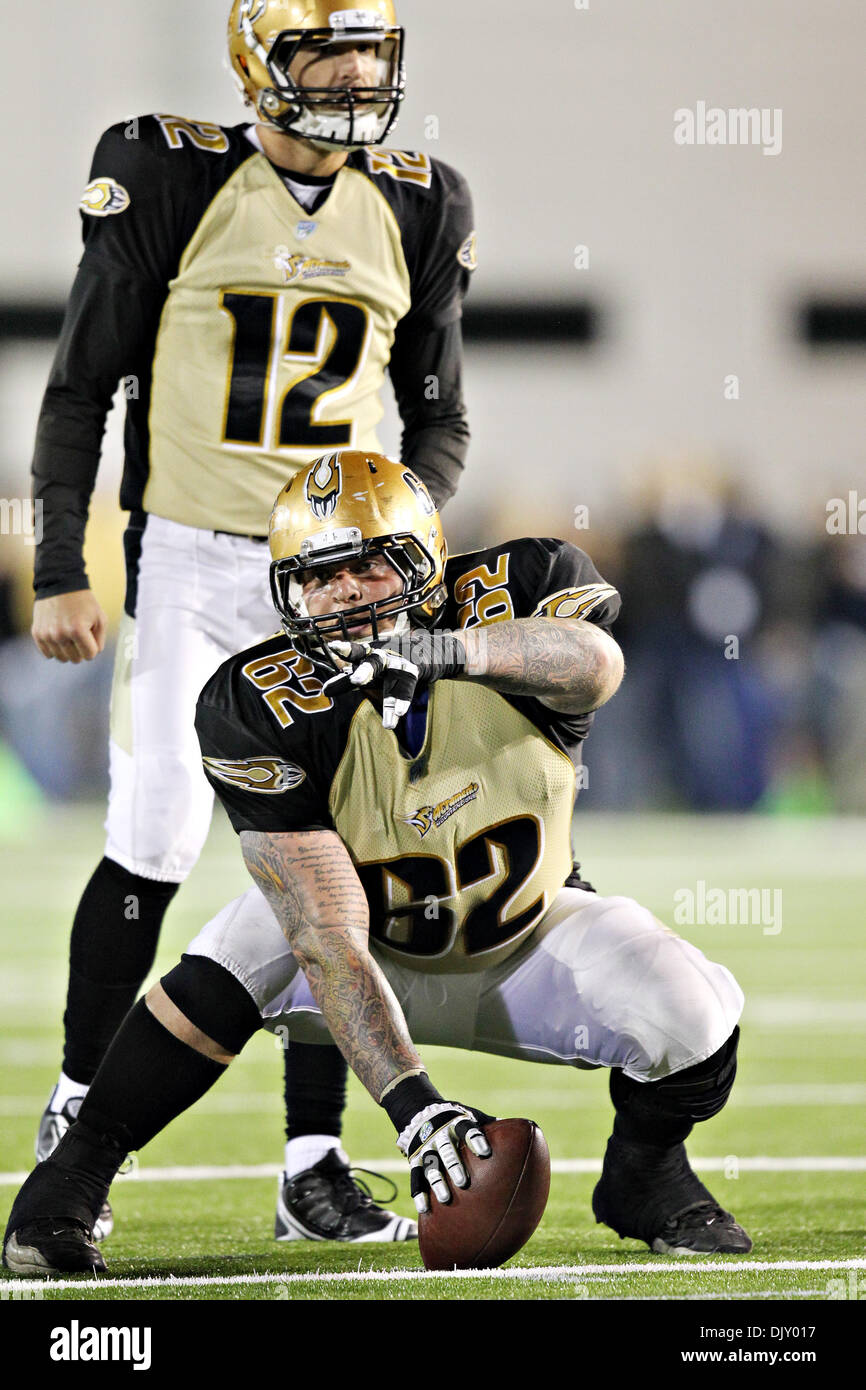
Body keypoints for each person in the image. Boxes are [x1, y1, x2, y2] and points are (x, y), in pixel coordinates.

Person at [3, 451, 751, 1277]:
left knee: (696, 1007)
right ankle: (66, 1186)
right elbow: (325, 936)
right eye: (318, 577)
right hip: (369, 953)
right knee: (248, 943)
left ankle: (646, 1173)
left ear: (424, 559)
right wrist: (415, 1109)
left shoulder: (523, 582)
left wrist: (447, 653)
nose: (345, 593)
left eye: (368, 566)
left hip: (525, 938)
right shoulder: (255, 701)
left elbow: (594, 667)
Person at [29, 0, 475, 1243]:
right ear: (254, 63)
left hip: (339, 582)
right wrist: (61, 561)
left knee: (329, 857)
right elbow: (81, 387)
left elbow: (439, 416)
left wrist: (395, 528)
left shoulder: (421, 198)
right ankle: (73, 1116)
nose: (351, 74)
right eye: (322, 51)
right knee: (158, 832)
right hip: (186, 556)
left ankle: (312, 1163)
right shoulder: (170, 174)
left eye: (370, 53)